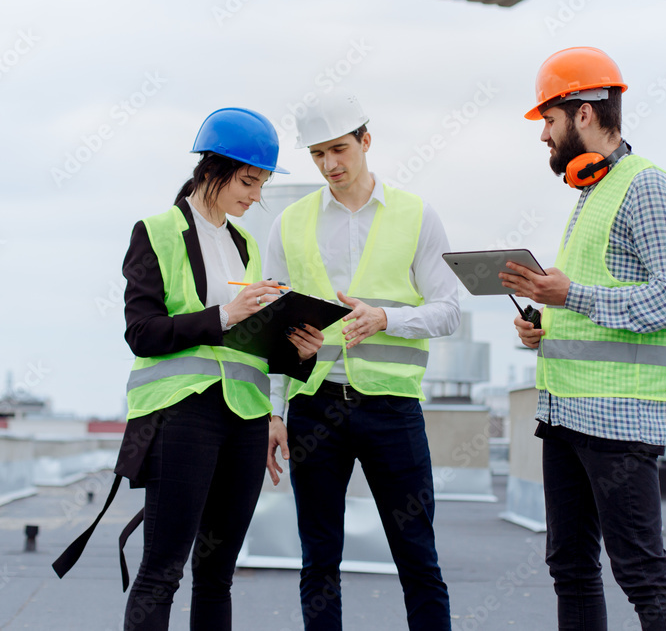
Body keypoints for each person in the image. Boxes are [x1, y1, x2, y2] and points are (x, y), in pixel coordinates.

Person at [500, 47, 666, 631]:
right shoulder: (592, 195)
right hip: (567, 412)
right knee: (570, 567)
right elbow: (596, 298)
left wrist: (572, 297)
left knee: (641, 572)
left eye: (548, 119)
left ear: (584, 112)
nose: (543, 135)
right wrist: (543, 326)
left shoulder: (649, 189)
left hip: (621, 416)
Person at [116, 107, 324, 630]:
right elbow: (141, 331)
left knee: (218, 575)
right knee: (163, 570)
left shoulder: (245, 245)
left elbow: (252, 345)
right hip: (182, 415)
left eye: (261, 184)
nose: (256, 196)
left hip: (247, 422)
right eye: (249, 181)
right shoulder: (157, 231)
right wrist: (224, 314)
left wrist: (298, 351)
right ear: (212, 170)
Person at [264, 91, 460, 630]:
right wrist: (275, 414)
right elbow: (274, 328)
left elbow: (449, 311)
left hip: (392, 409)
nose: (330, 164)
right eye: (318, 154)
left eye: (339, 149)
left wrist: (386, 319)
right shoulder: (289, 224)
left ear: (366, 141)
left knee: (418, 557)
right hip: (313, 408)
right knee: (318, 560)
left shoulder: (417, 215)